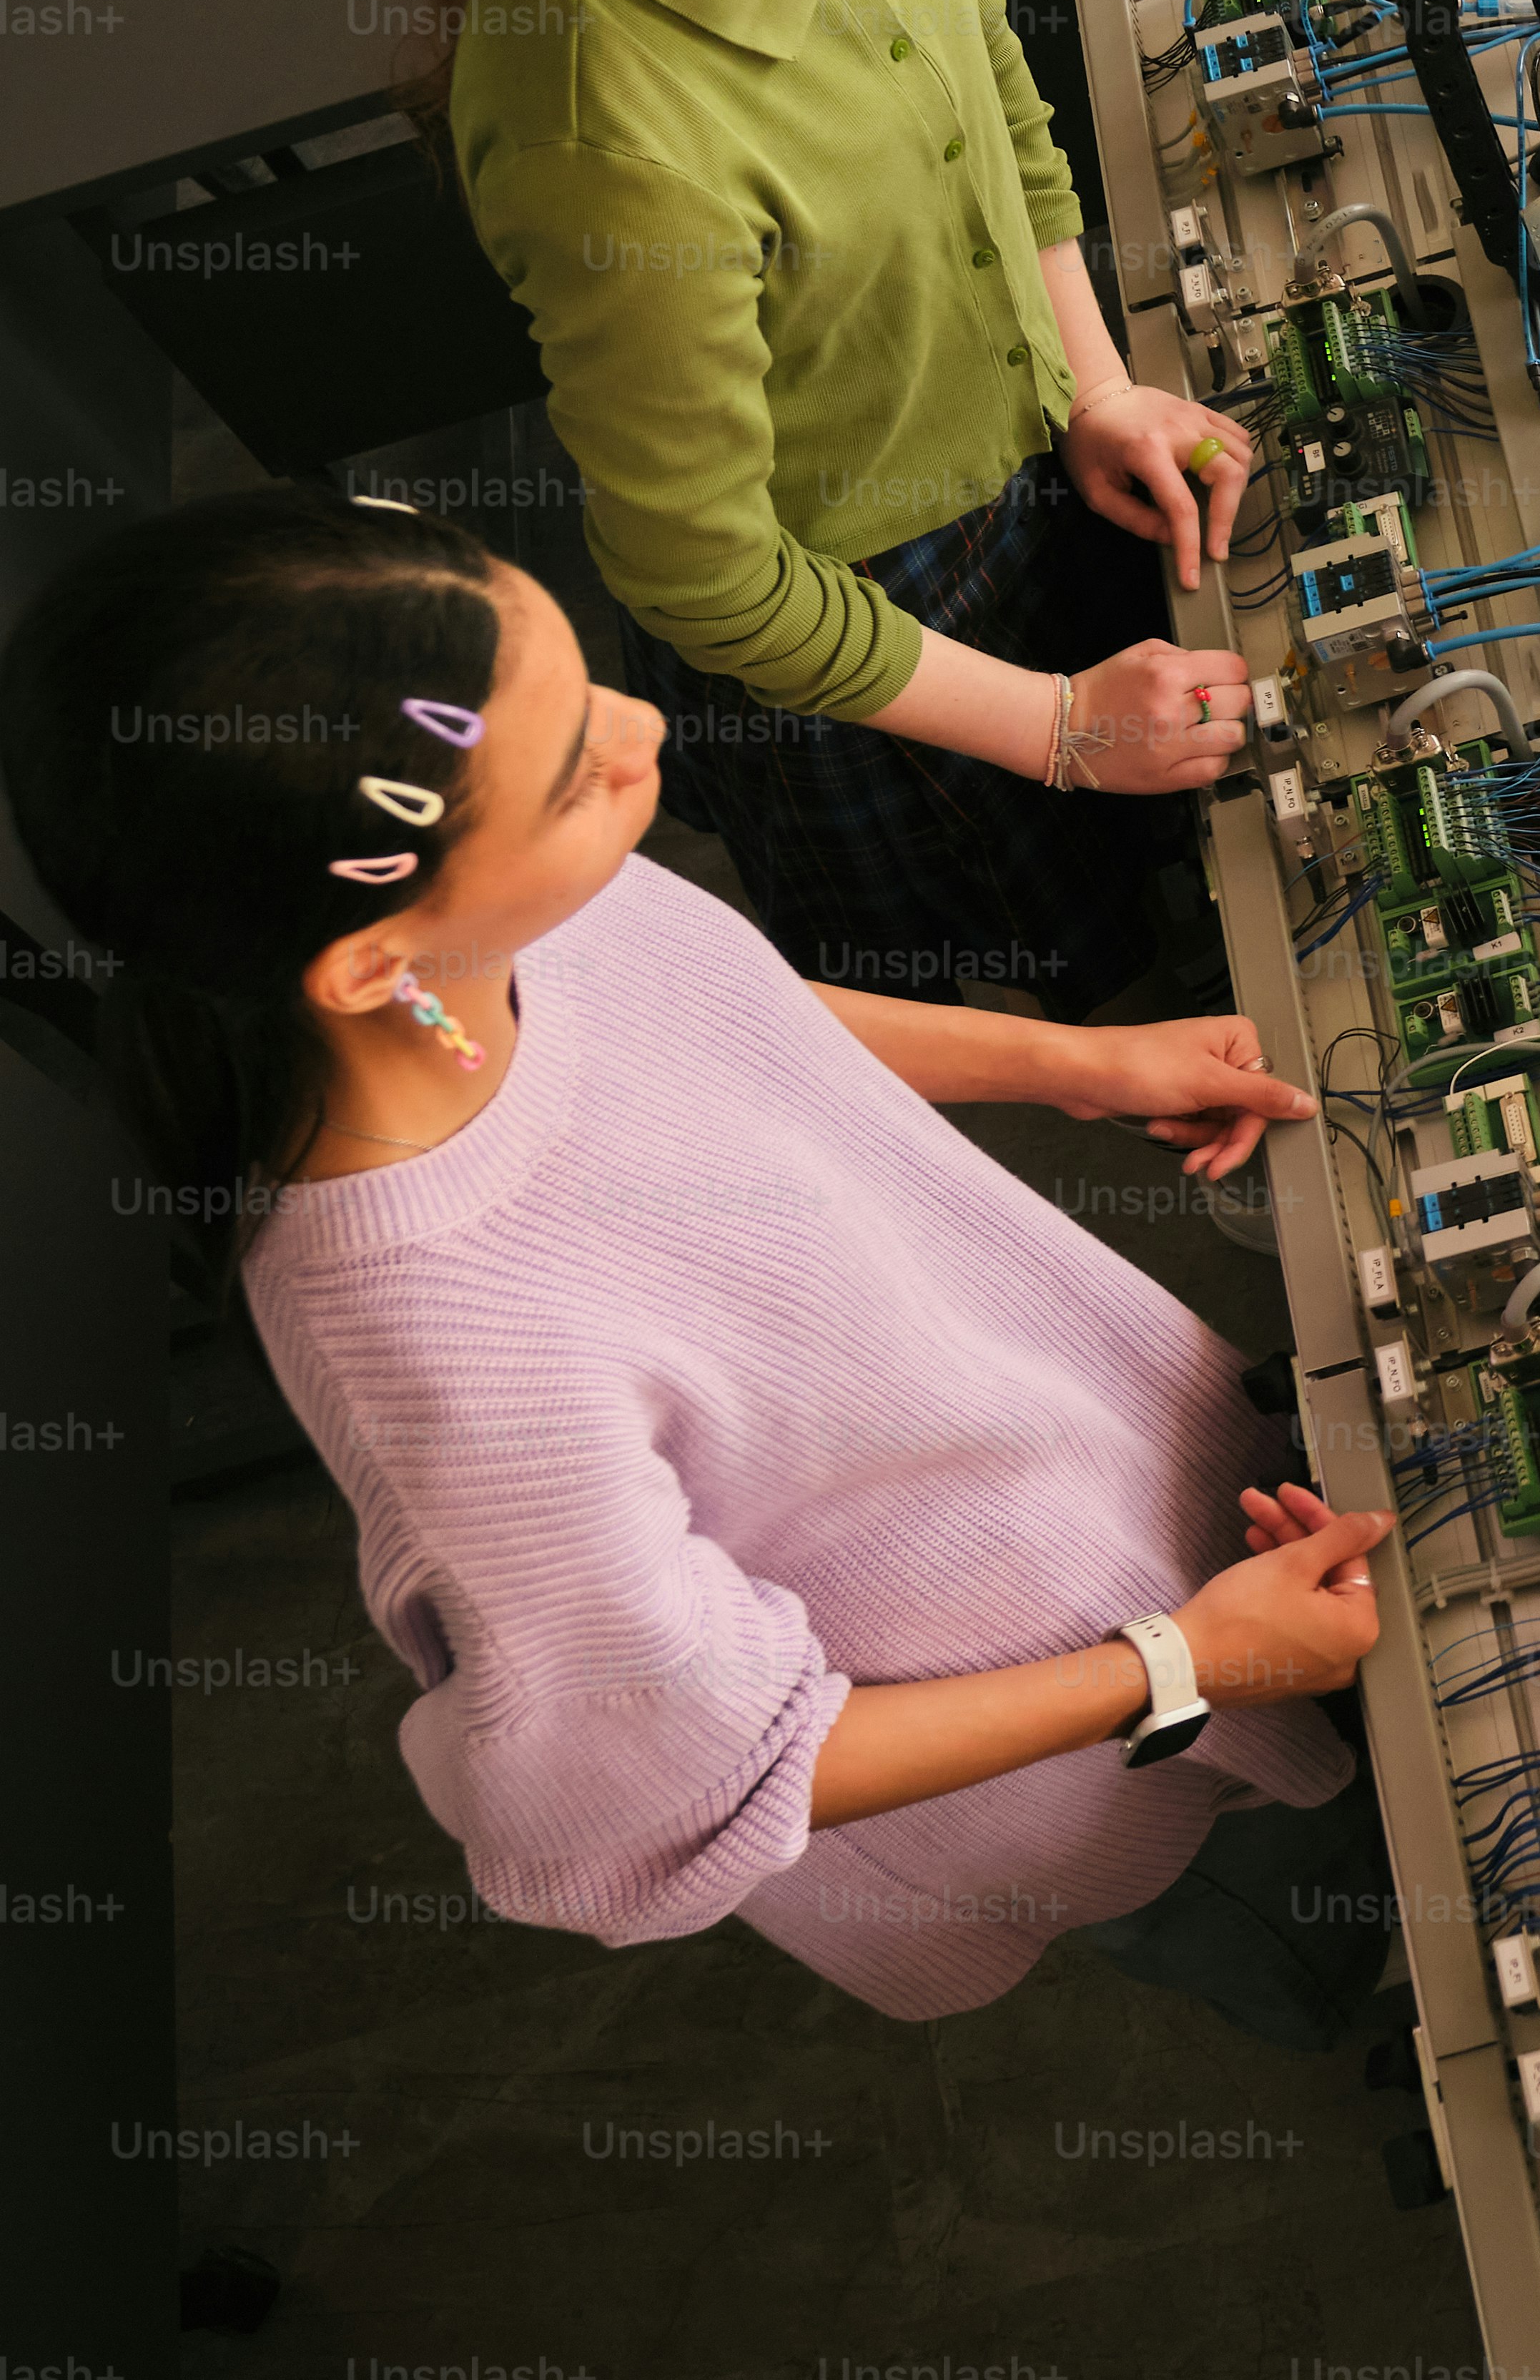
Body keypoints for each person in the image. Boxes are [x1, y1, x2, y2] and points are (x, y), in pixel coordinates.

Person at [3, 486, 1397, 2040]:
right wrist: (1185, 1658)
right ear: (369, 959)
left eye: (579, 676)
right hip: (1102, 1759)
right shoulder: (454, 1358)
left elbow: (714, 1004)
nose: (639, 728)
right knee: (1383, 1929)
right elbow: (713, 1764)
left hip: (1160, 1511)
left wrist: (1075, 1063)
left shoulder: (473, 938)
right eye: (569, 768)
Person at [408, 0, 1254, 1016]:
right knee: (1063, 943)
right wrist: (1059, 729)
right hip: (860, 615)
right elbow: (711, 577)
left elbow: (991, 90)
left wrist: (1091, 380)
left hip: (1020, 463)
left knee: (1180, 833)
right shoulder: (603, 126)